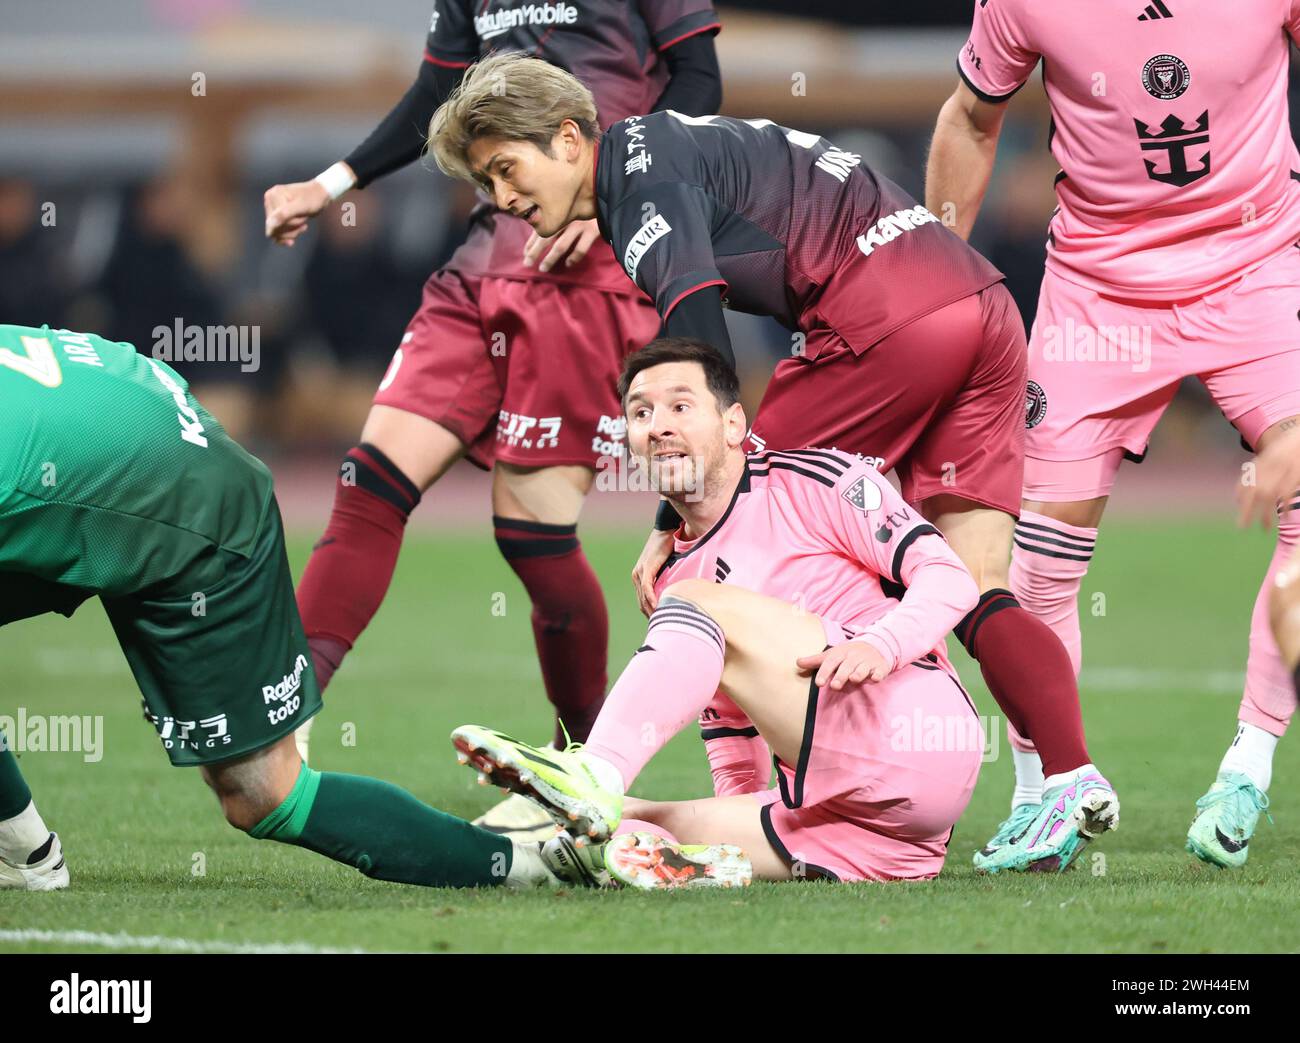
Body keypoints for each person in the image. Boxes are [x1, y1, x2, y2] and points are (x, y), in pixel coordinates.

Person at [428, 54, 1118, 870]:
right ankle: (1073, 775)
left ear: (571, 139)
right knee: (971, 587)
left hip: (880, 318)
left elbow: (696, 345)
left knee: (727, 540)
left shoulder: (638, 192)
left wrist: (669, 521)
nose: (502, 198)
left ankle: (626, 776)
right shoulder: (649, 152)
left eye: (507, 168)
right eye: (485, 183)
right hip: (980, 304)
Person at [262, 1, 721, 840]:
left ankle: (581, 768)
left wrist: (612, 196)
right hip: (486, 255)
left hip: (581, 262)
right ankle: (282, 708)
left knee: (532, 536)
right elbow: (440, 90)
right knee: (370, 479)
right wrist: (329, 185)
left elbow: (699, 78)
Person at [450, 338, 1115, 890]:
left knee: (686, 613)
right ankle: (647, 853)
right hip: (867, 828)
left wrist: (882, 643)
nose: (659, 425)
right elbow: (733, 733)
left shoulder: (813, 481)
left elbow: (949, 578)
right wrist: (731, 807)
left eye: (681, 405)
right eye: (641, 412)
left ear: (735, 425)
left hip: (912, 725)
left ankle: (591, 769)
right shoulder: (679, 579)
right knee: (621, 819)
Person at [0, 324, 576, 893]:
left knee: (262, 793)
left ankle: (534, 865)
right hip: (119, 413)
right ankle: (24, 854)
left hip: (184, 500)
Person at [927, 0, 1300, 867]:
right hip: (1100, 290)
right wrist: (931, 286)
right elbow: (970, 117)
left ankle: (1248, 764)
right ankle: (1042, 795)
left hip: (1258, 271)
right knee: (1037, 570)